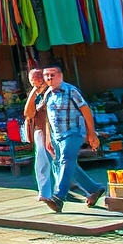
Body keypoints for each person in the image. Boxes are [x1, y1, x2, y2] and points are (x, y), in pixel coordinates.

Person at [40, 66, 104, 206]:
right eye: (46, 75)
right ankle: (94, 189)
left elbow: (86, 111)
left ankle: (59, 197)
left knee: (66, 160)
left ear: (60, 76)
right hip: (57, 135)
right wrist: (48, 138)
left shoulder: (71, 91)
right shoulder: (48, 94)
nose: (49, 78)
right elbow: (47, 118)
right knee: (69, 164)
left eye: (52, 74)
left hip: (73, 132)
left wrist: (91, 133)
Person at [21, 68, 61, 211]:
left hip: (54, 131)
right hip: (40, 131)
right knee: (42, 162)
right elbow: (29, 113)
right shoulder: (35, 94)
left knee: (59, 161)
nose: (34, 82)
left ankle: (60, 191)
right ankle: (45, 192)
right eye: (32, 79)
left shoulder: (51, 91)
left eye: (36, 79)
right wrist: (33, 92)